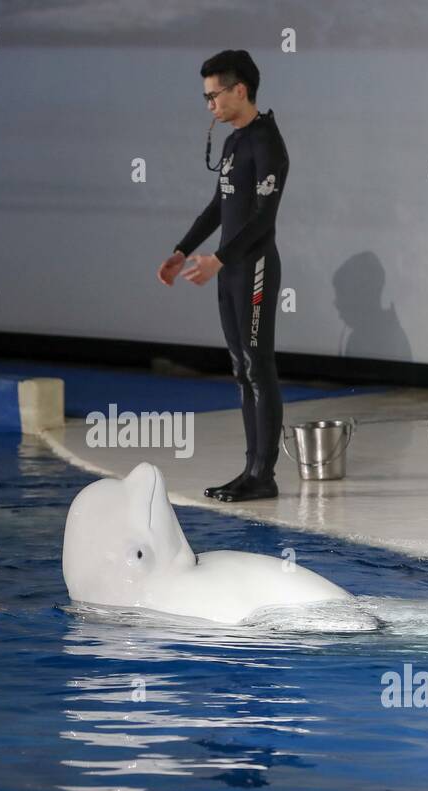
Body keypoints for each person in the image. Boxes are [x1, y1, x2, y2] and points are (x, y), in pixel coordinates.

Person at [157, 49, 290, 502]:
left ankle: (263, 473)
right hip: (229, 270)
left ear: (240, 89)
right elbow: (220, 207)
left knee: (258, 365)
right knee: (240, 368)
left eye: (215, 95)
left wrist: (221, 258)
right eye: (205, 97)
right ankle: (250, 468)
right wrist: (182, 250)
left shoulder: (267, 141)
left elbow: (262, 219)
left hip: (252, 269)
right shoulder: (234, 141)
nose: (210, 104)